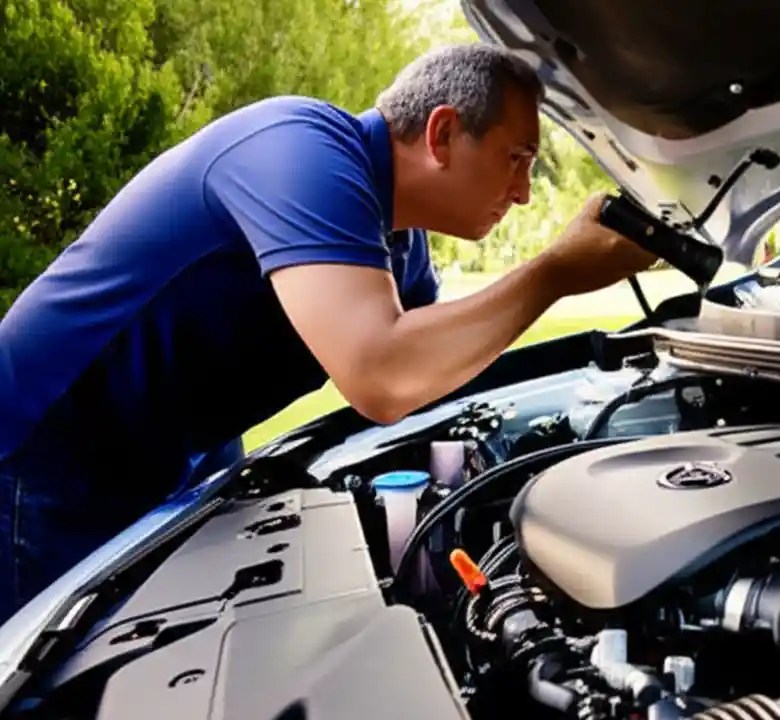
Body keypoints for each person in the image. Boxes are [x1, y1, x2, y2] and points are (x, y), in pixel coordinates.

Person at [0, 44, 656, 621]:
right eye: (517, 159)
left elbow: (436, 373)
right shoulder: (298, 147)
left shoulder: (402, 243)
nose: (523, 194)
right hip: (46, 449)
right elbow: (384, 375)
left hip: (173, 448)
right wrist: (555, 273)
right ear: (443, 133)